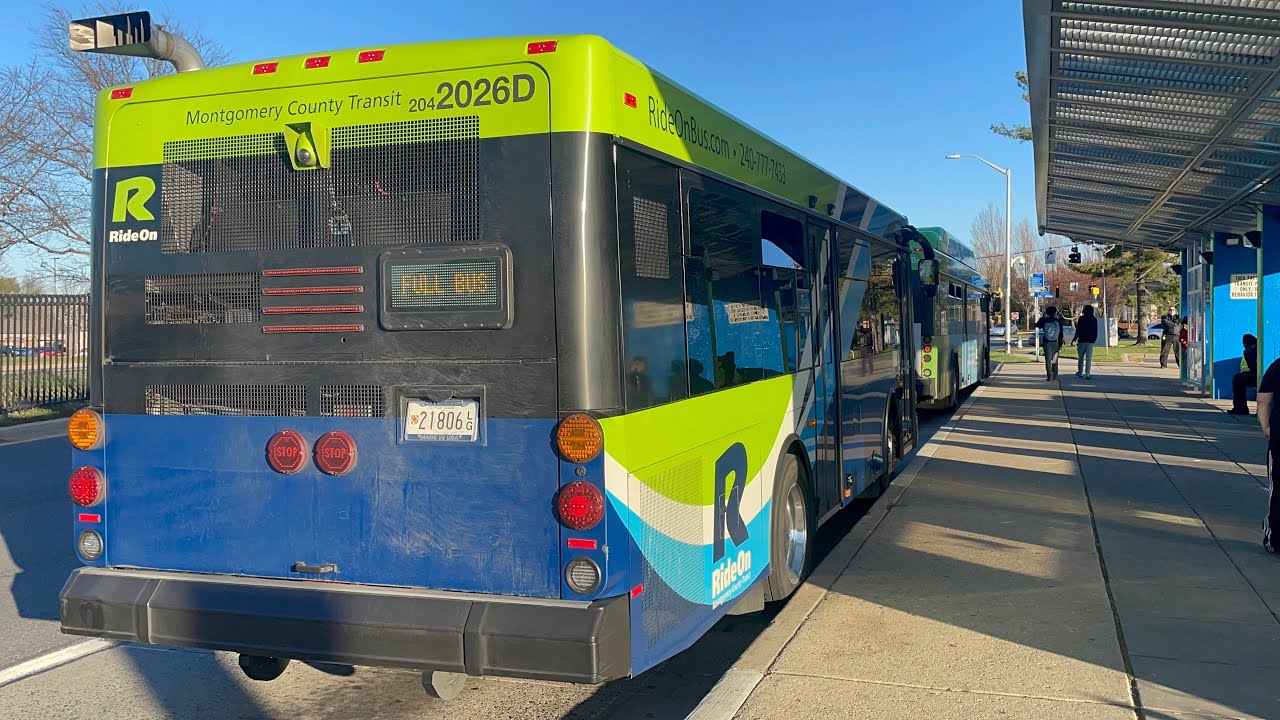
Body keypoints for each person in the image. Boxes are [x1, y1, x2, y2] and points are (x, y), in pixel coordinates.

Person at [1259, 356, 1279, 552]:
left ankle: (1275, 539)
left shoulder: (1277, 366)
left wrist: (1266, 426)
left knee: (1277, 489)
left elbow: (1263, 400)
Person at [1228, 334, 1258, 416]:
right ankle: (1240, 408)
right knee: (1238, 379)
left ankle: (1240, 408)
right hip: (1258, 375)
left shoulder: (1249, 351)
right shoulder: (1249, 351)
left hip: (1263, 375)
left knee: (1238, 379)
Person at [1035, 306, 1067, 381]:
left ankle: (1050, 376)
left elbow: (1037, 325)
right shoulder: (1058, 321)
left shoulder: (1045, 320)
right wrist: (1060, 344)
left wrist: (1042, 317)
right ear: (1055, 312)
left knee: (1048, 360)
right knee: (1055, 360)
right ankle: (1055, 375)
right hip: (1056, 343)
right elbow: (1061, 333)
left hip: (1047, 342)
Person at [1072, 304, 1099, 379]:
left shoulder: (1081, 319)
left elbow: (1078, 330)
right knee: (1088, 358)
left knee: (1080, 357)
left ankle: (1080, 372)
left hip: (1082, 340)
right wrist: (1094, 339)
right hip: (1090, 341)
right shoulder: (1094, 319)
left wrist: (1074, 338)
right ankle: (1087, 373)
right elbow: (1095, 330)